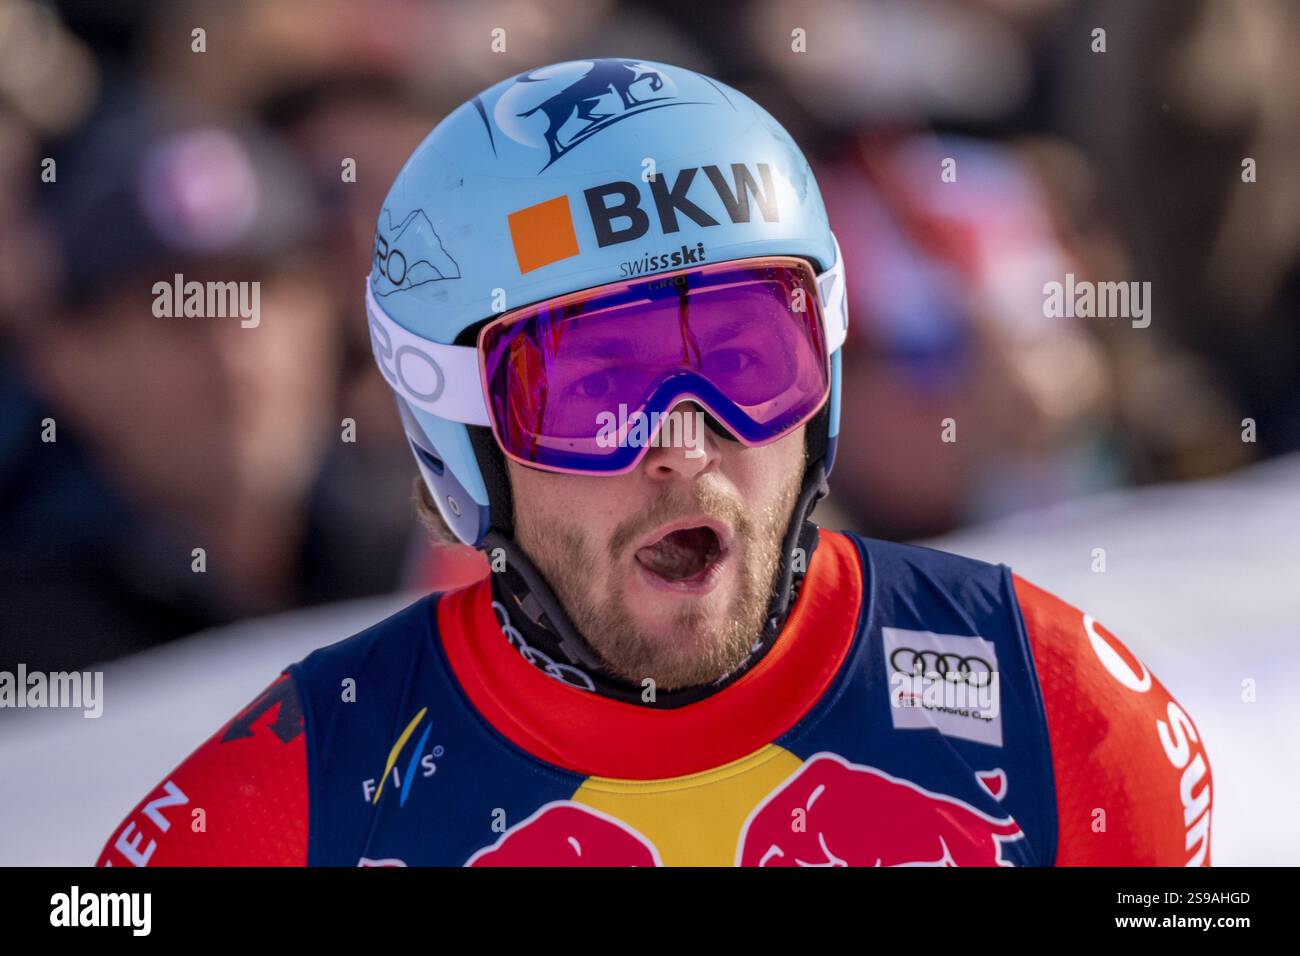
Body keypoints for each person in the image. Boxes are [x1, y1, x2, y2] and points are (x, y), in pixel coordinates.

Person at [97, 59, 1212, 867]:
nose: (684, 445)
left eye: (741, 355)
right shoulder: (290, 801)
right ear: (462, 443)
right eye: (592, 387)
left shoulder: (1058, 714)